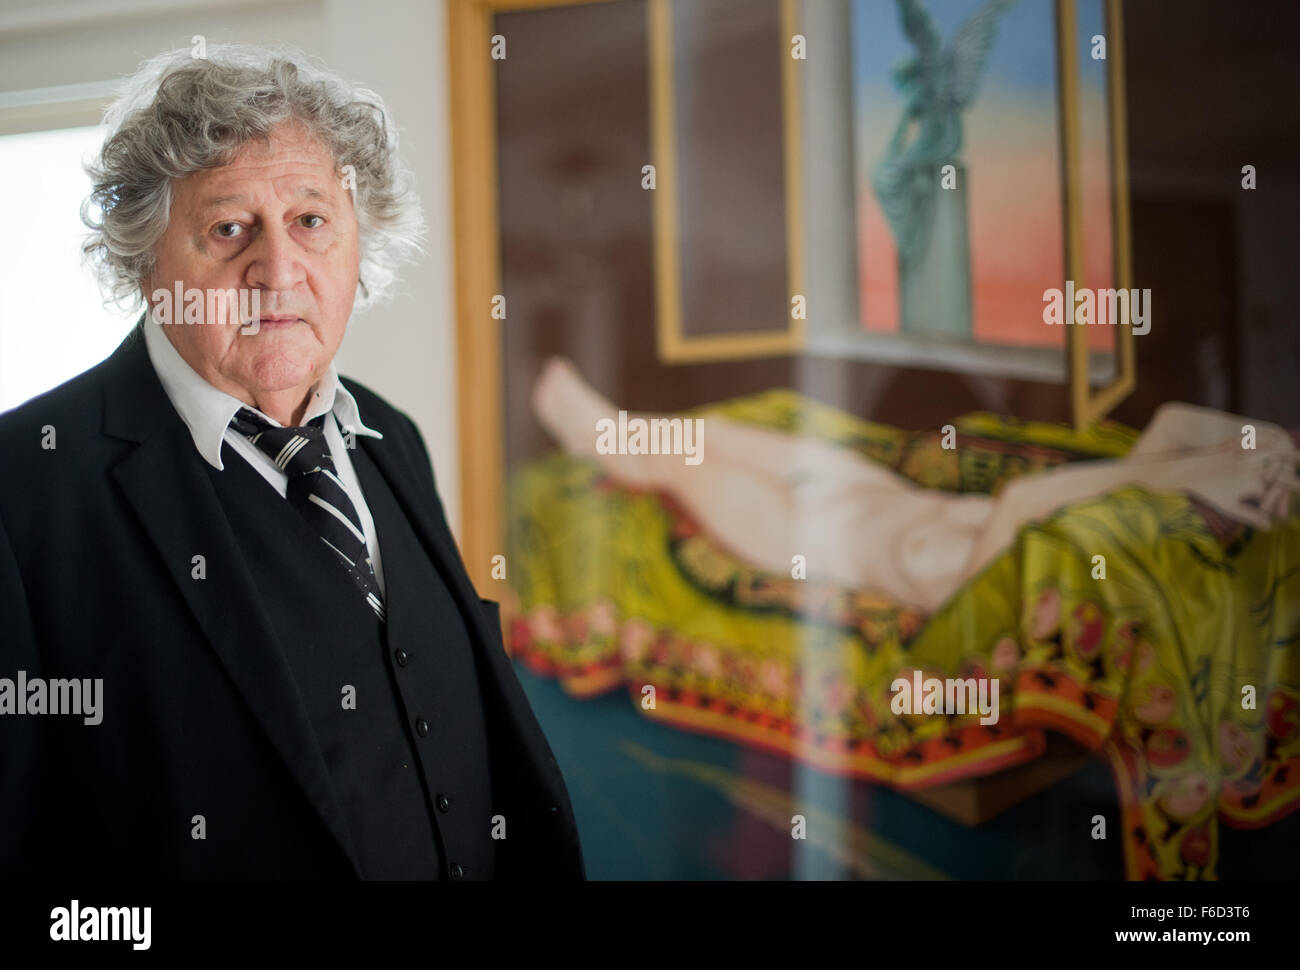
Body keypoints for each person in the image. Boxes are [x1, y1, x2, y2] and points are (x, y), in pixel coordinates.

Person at [0, 45, 583, 880]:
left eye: (311, 221)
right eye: (228, 229)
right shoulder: (25, 487)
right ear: (146, 260)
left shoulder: (392, 437)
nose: (278, 272)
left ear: (358, 241)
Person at [532, 357, 1298, 614]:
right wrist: (1259, 447)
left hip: (811, 537)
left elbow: (1027, 501)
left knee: (686, 463)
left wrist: (1201, 473)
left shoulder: (1019, 573)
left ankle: (607, 442)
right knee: (726, 435)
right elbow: (1166, 427)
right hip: (866, 495)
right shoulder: (1102, 520)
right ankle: (607, 429)